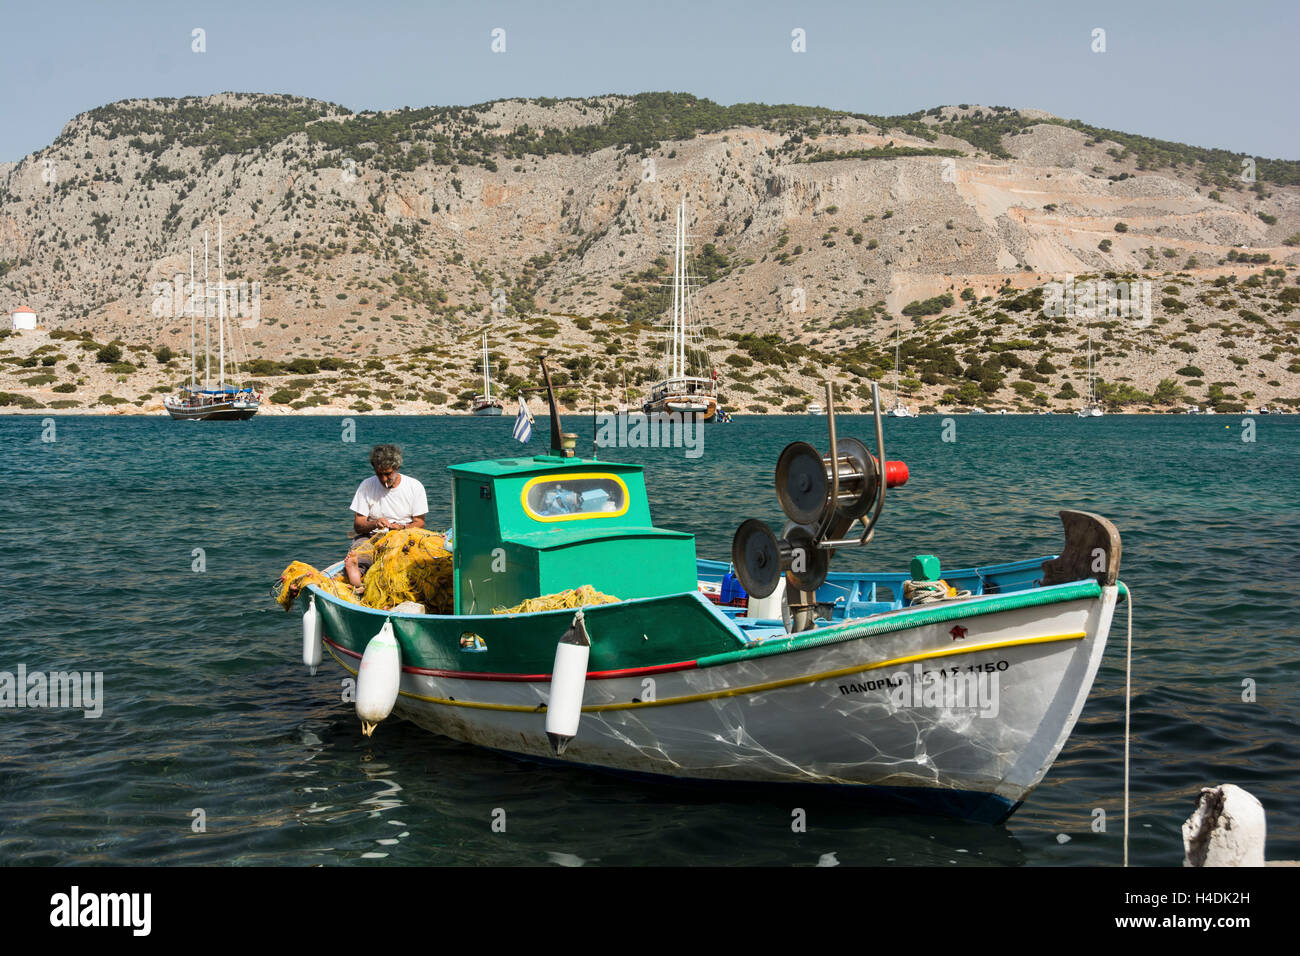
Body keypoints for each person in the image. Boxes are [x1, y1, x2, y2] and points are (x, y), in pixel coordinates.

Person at [344, 444, 428, 589]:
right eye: (379, 474)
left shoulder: (415, 486)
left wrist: (401, 527)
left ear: (397, 468)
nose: (383, 479)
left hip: (404, 534)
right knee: (361, 551)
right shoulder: (367, 485)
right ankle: (357, 574)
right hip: (372, 535)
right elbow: (358, 525)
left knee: (409, 557)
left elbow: (420, 523)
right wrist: (375, 523)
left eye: (388, 474)